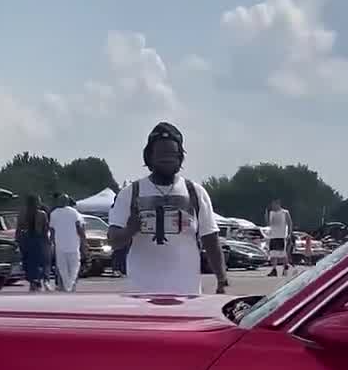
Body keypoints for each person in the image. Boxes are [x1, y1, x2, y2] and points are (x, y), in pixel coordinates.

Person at [108, 123, 227, 297]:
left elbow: (210, 240)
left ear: (180, 158)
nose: (168, 159)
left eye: (172, 154)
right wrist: (129, 230)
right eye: (162, 154)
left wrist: (221, 278)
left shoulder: (195, 192)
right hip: (141, 294)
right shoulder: (131, 193)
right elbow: (113, 241)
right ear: (149, 157)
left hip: (187, 294)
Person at [49, 192, 86, 294]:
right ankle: (70, 286)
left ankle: (67, 286)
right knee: (74, 268)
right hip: (73, 245)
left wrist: (51, 243)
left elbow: (52, 231)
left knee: (63, 268)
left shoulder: (54, 213)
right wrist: (84, 242)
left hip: (60, 246)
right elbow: (80, 229)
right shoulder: (74, 212)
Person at [15, 195, 51, 290]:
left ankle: (33, 282)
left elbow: (18, 228)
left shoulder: (22, 213)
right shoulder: (42, 214)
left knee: (30, 262)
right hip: (37, 240)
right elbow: (45, 229)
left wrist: (17, 240)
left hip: (27, 239)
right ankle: (37, 281)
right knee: (40, 261)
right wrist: (47, 241)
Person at [267, 198, 292, 277]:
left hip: (281, 236)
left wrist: (289, 234)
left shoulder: (285, 212)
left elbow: (290, 223)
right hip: (273, 236)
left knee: (282, 254)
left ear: (278, 204)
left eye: (274, 204)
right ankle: (274, 270)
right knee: (273, 254)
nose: (272, 206)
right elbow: (269, 223)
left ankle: (285, 267)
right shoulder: (271, 213)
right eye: (272, 204)